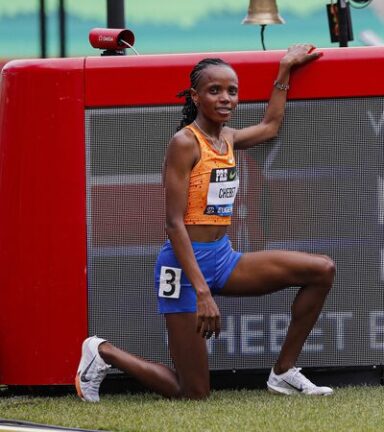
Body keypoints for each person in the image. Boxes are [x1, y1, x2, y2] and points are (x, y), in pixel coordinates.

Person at [75, 44, 335, 402]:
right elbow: (172, 223)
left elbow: (270, 126)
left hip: (222, 259)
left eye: (232, 91)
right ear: (195, 96)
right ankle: (102, 352)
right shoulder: (184, 143)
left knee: (321, 270)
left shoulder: (227, 137)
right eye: (215, 90)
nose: (226, 98)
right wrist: (202, 292)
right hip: (183, 270)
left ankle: (283, 373)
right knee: (193, 392)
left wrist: (285, 69)